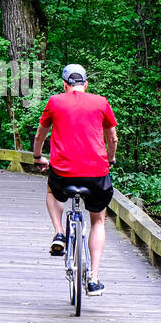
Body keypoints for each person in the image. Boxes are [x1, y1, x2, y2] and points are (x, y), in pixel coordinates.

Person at [32, 63, 118, 294]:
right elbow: (113, 138)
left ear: (64, 84)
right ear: (86, 84)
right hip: (97, 175)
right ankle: (93, 278)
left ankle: (59, 232)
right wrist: (110, 160)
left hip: (62, 173)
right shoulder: (101, 102)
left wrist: (38, 157)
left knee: (52, 189)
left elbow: (41, 133)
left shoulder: (55, 101)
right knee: (98, 220)